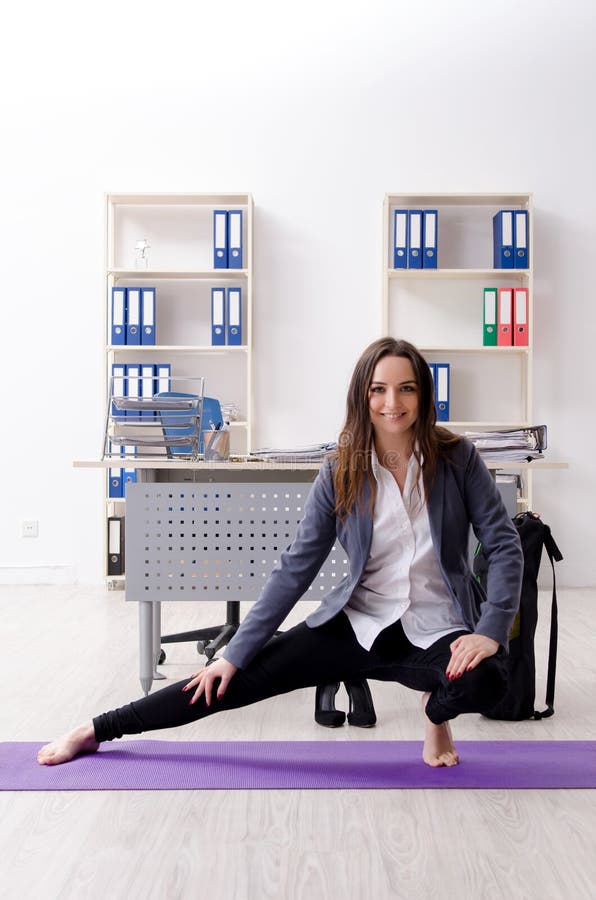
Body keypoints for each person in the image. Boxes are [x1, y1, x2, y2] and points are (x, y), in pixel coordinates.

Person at [38, 337, 523, 769]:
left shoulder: (458, 457)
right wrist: (234, 653)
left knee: (488, 682)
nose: (392, 402)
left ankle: (433, 712)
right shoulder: (342, 469)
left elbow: (503, 545)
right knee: (224, 683)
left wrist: (489, 630)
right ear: (363, 395)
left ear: (423, 395)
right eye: (378, 389)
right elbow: (295, 568)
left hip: (438, 625)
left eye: (406, 388)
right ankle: (96, 729)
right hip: (356, 624)